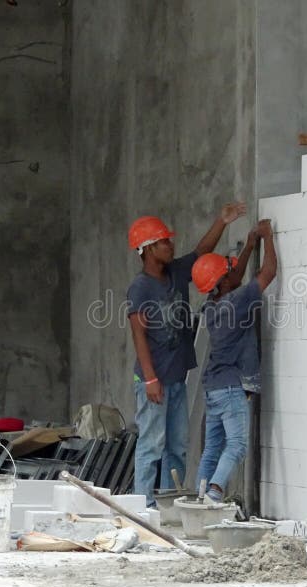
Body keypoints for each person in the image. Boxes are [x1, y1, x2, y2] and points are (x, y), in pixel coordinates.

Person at [126, 202, 246, 508]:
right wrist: (151, 378)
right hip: (154, 381)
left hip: (177, 377)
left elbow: (200, 252)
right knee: (152, 446)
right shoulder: (140, 287)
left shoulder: (177, 273)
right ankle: (143, 508)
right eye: (164, 241)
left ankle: (168, 505)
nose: (170, 245)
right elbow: (138, 334)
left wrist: (222, 221)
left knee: (177, 447)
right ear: (149, 249)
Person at [191, 219, 277, 503]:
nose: (233, 271)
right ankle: (215, 493)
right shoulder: (237, 301)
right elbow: (268, 272)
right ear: (222, 282)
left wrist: (250, 245)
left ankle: (199, 499)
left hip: (214, 388)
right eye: (227, 270)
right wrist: (267, 237)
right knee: (237, 445)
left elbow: (232, 277)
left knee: (212, 448)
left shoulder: (213, 305)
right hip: (231, 388)